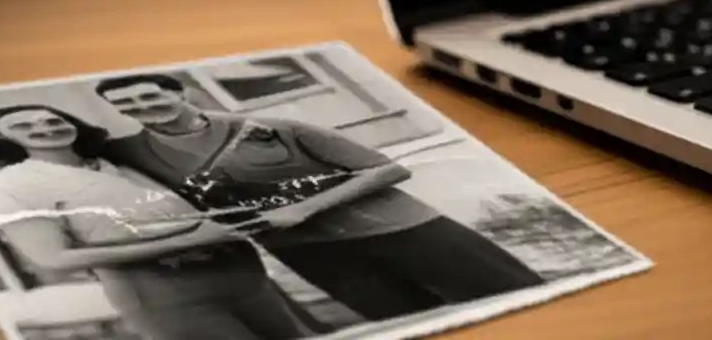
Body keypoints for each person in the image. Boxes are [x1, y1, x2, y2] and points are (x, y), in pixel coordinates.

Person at [94, 73, 546, 321]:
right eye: (127, 106)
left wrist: (305, 207)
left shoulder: (273, 127)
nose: (141, 109)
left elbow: (389, 168)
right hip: (312, 253)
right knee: (407, 322)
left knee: (514, 297)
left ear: (180, 92)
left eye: (149, 97)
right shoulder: (134, 151)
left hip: (405, 230)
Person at [0, 104, 315, 340]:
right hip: (163, 290)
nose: (44, 126)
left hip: (243, 274)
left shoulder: (118, 159)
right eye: (23, 125)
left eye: (53, 119)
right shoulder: (9, 186)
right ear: (1, 140)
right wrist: (189, 240)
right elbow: (52, 258)